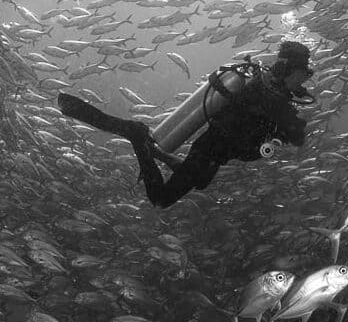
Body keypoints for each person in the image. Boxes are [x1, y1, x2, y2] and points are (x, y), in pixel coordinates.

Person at [57, 41, 314, 207]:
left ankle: (154, 150)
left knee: (199, 181)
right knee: (161, 198)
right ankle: (136, 135)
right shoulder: (272, 96)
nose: (305, 80)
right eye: (305, 74)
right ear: (290, 70)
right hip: (212, 150)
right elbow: (296, 135)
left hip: (215, 150)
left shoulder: (265, 86)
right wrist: (293, 125)